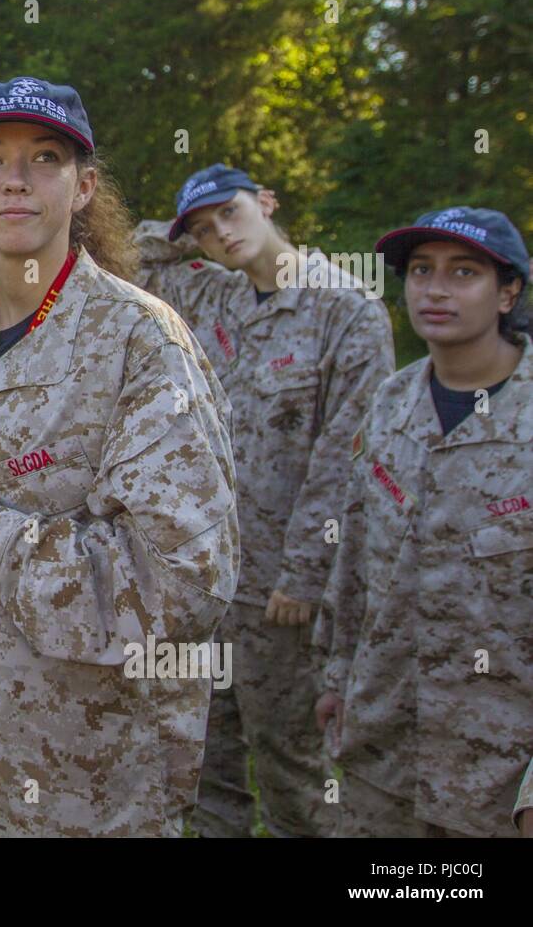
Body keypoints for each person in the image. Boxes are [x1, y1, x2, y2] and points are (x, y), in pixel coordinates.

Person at [0, 77, 239, 836]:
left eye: (45, 158)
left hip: (79, 771)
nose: (17, 181)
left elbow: (184, 583)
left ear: (83, 186)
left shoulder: (140, 339)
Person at [133, 165, 395, 837]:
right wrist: (180, 238)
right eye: (202, 227)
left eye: (230, 212)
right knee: (205, 752)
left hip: (282, 588)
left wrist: (307, 572)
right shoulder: (213, 299)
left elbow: (348, 454)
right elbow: (128, 255)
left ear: (269, 202)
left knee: (287, 760)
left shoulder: (346, 308)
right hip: (205, 576)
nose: (220, 232)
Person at [315, 206, 532, 837]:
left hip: (500, 771)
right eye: (420, 271)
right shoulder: (391, 401)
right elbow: (355, 553)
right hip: (384, 753)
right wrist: (336, 679)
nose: (435, 290)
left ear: (508, 292)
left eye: (463, 273)